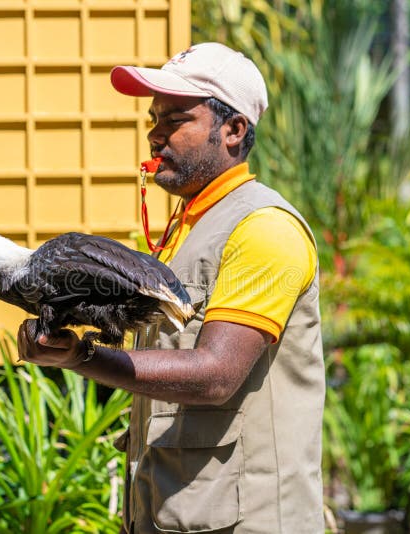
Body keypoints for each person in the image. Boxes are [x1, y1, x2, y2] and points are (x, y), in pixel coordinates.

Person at [17, 42, 325, 534]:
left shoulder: (264, 228)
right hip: (181, 517)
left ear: (234, 130)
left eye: (175, 119)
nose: (154, 133)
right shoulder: (187, 227)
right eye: (153, 117)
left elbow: (215, 375)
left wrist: (80, 357)